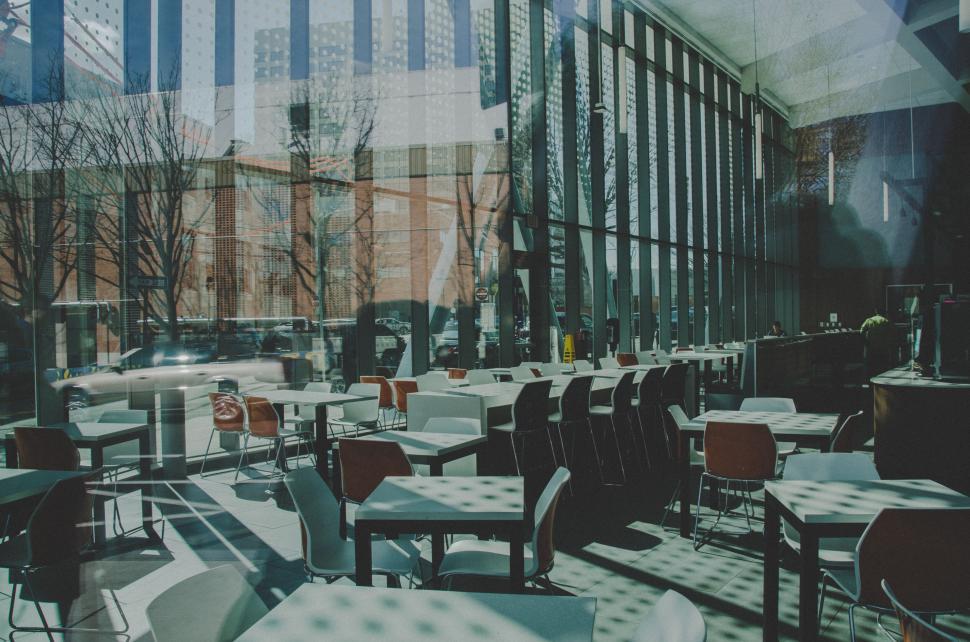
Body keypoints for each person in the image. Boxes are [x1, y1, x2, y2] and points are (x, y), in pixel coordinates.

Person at [860, 308, 897, 377]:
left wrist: (866, 342)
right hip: (883, 348)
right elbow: (892, 334)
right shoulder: (886, 321)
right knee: (882, 367)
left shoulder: (869, 320)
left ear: (876, 312)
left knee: (872, 367)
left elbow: (861, 331)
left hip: (871, 348)